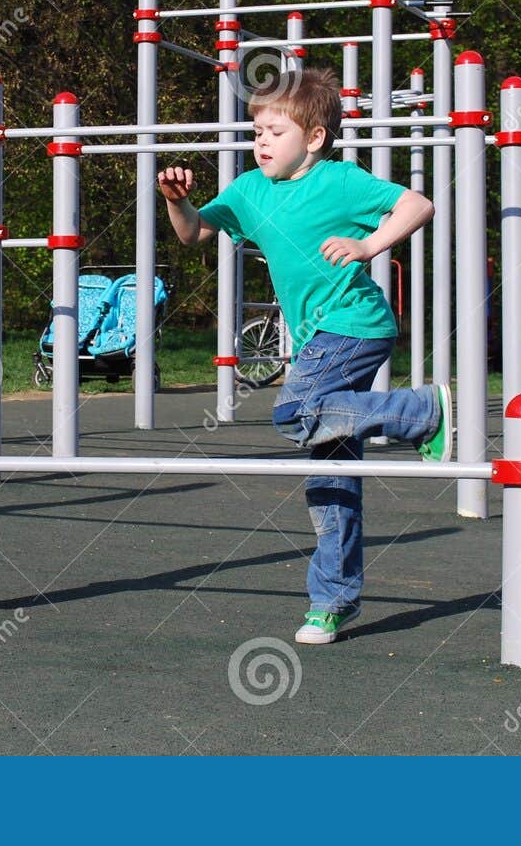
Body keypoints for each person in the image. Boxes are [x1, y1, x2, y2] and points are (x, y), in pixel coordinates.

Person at [158, 65, 451, 645]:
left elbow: (418, 205)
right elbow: (193, 233)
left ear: (313, 139)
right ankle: (331, 600)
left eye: (274, 132)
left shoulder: (340, 182)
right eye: (257, 131)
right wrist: (176, 201)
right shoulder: (248, 190)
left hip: (354, 325)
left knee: (293, 414)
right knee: (329, 464)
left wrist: (368, 244)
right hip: (323, 335)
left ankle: (424, 413)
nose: (261, 141)